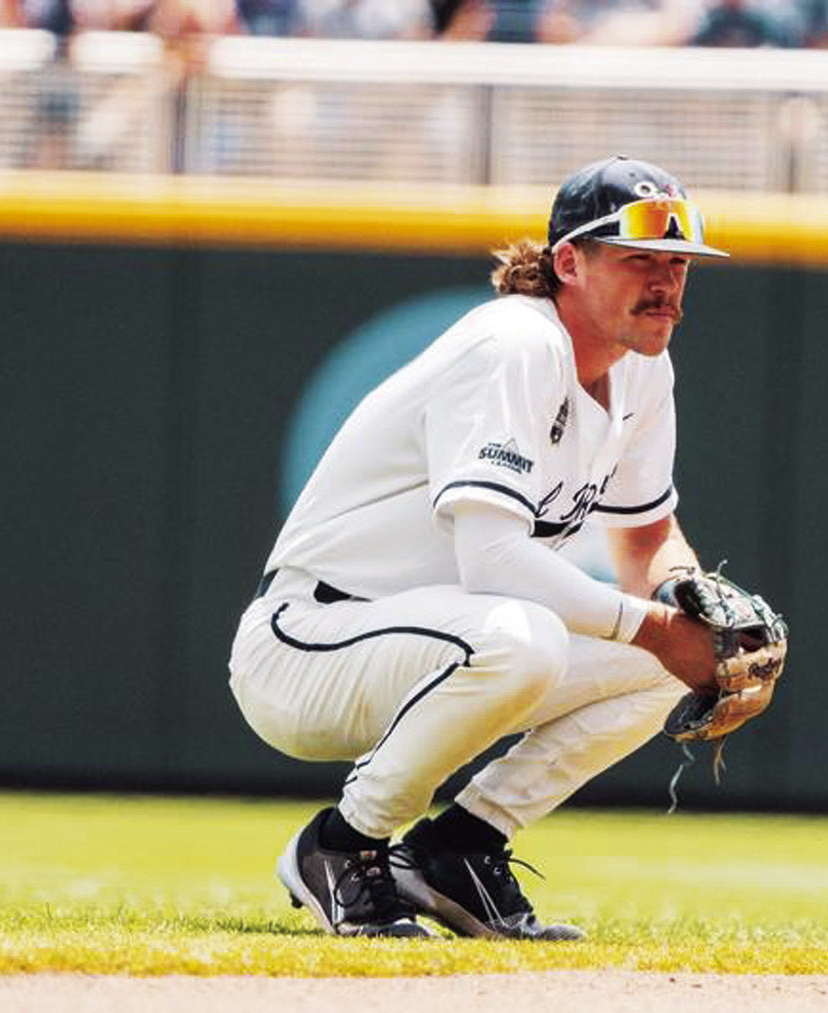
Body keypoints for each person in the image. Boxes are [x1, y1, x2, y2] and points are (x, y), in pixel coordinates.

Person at [228, 155, 757, 940]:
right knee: (532, 634)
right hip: (310, 642)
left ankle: (460, 849)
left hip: (442, 644)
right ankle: (341, 846)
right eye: (639, 259)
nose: (665, 283)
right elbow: (492, 560)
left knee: (664, 655)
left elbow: (646, 535)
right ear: (568, 262)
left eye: (678, 264)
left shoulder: (642, 367)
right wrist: (654, 627)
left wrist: (692, 608)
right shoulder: (515, 344)